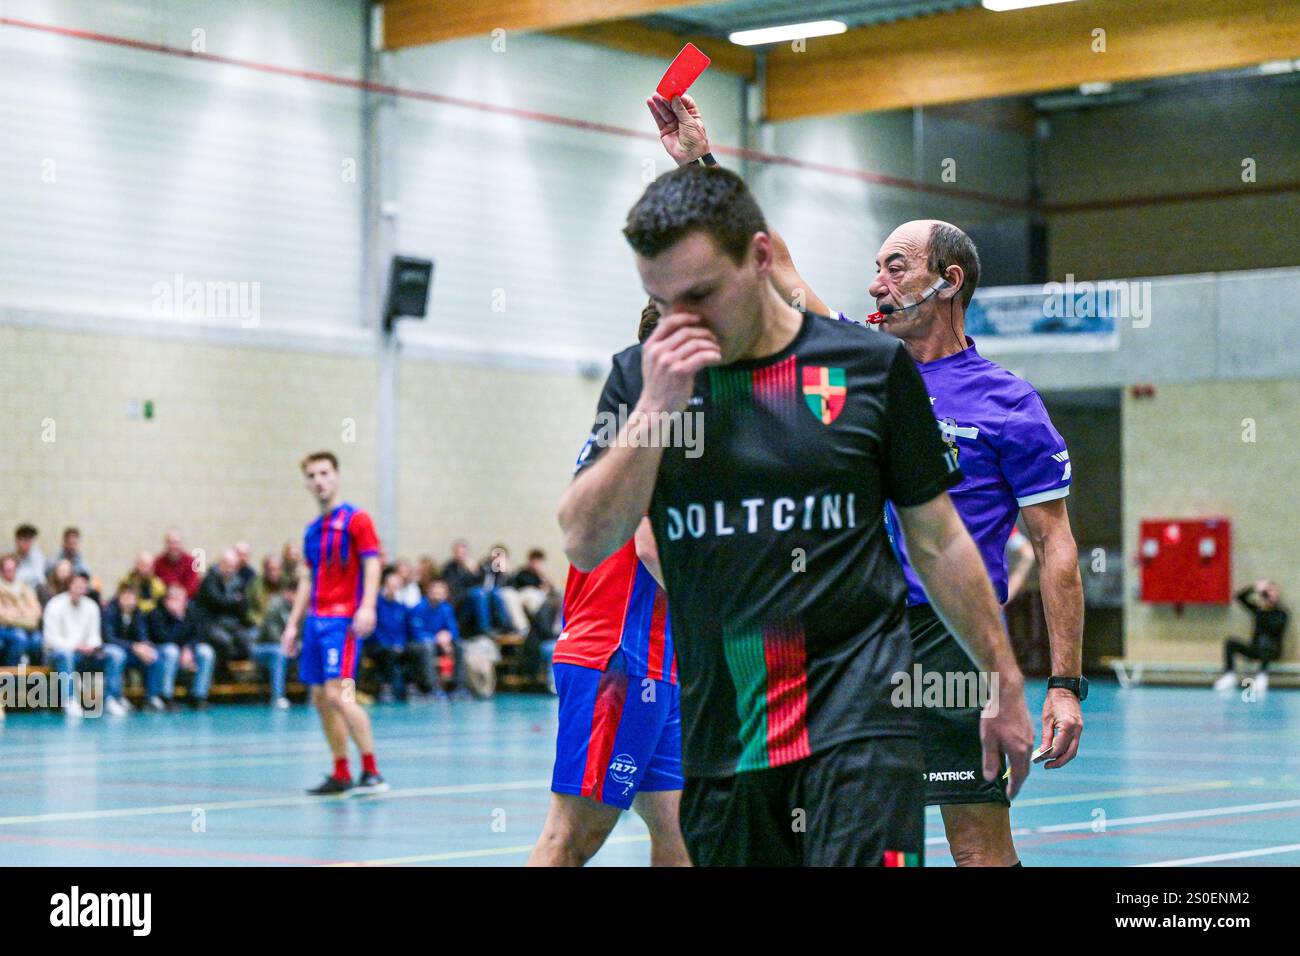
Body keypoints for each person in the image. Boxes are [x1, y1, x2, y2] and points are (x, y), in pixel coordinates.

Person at [650, 94, 1084, 867]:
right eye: (876, 266)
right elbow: (773, 264)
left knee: (977, 843)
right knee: (872, 843)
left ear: (947, 281)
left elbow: (1055, 548)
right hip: (856, 641)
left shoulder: (1007, 402)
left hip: (950, 640)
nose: (877, 281)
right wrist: (701, 162)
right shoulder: (857, 364)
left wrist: (1064, 685)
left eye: (896, 266)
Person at [558, 163, 1033, 866]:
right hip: (727, 741)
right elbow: (586, 541)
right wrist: (655, 412)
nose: (681, 318)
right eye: (662, 299)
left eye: (701, 294)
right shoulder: (642, 377)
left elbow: (939, 543)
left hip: (860, 728)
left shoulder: (868, 368)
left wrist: (1003, 682)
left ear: (758, 258)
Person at [530, 306, 688, 868]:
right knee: (572, 837)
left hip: (656, 661)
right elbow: (649, 546)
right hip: (618, 659)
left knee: (680, 832)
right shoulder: (651, 430)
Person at [281, 451, 387, 796]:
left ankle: (372, 772)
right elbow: (307, 580)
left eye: (324, 473)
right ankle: (341, 772)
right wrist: (293, 625)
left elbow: (372, 564)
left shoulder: (357, 520)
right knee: (319, 697)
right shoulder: (312, 531)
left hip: (343, 620)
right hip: (316, 621)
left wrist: (368, 605)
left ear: (337, 476)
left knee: (338, 694)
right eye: (311, 475)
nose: (318, 481)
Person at [43, 572, 127, 717]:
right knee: (66, 654)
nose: (80, 589)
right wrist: (76, 646)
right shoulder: (54, 605)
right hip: (58, 653)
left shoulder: (91, 606)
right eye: (76, 586)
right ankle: (69, 700)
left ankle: (110, 699)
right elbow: (50, 639)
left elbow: (95, 635)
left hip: (86, 653)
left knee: (116, 654)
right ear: (69, 586)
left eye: (83, 586)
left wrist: (92, 646)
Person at [103, 582, 177, 713]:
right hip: (112, 650)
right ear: (119, 596)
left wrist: (145, 646)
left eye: (132, 598)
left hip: (132, 652)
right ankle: (113, 698)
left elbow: (141, 633)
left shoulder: (138, 612)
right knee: (117, 655)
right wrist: (133, 646)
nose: (129, 601)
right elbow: (108, 638)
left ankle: (152, 697)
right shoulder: (109, 611)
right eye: (126, 597)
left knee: (154, 656)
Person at [368, 568, 435, 702]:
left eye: (396, 587)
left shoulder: (401, 607)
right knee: (390, 652)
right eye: (390, 586)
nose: (393, 589)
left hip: (399, 644)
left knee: (416, 649)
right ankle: (385, 688)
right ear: (384, 586)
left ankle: (415, 687)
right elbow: (374, 630)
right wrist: (391, 644)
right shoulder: (375, 605)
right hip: (378, 645)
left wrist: (400, 644)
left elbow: (407, 629)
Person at [147, 584, 215, 710]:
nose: (176, 602)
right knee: (171, 651)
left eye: (180, 599)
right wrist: (178, 618)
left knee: (206, 652)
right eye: (172, 599)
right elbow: (164, 637)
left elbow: (200, 634)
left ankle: (199, 695)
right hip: (163, 650)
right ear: (166, 600)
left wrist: (189, 648)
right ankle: (166, 696)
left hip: (186, 649)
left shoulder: (193, 612)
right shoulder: (157, 614)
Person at [1216, 580, 1288, 694]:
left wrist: (1266, 608)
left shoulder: (1281, 613)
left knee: (1266, 644)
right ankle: (1229, 675)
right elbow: (1240, 597)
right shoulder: (1258, 610)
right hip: (1255, 649)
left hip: (1271, 652)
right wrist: (1255, 588)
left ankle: (1262, 676)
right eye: (1267, 591)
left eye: (1272, 591)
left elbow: (1273, 628)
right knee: (1230, 642)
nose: (1268, 594)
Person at [194, 549, 257, 675]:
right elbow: (217, 602)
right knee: (224, 641)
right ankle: (222, 675)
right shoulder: (209, 580)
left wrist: (233, 602)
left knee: (247, 640)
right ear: (221, 564)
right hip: (211, 623)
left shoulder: (238, 581)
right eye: (228, 566)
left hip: (232, 623)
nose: (231, 570)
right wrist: (234, 601)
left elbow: (243, 605)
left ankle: (243, 677)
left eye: (233, 567)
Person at [409, 578, 462, 694]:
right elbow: (416, 633)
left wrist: (448, 637)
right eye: (435, 591)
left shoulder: (446, 609)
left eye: (441, 592)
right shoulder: (418, 608)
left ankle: (456, 686)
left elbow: (454, 630)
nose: (438, 594)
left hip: (441, 644)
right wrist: (436, 638)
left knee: (459, 646)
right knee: (428, 647)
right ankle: (431, 687)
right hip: (418, 644)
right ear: (429, 591)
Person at [0, 553, 43, 666]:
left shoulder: (25, 587)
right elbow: (4, 617)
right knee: (20, 637)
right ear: (2, 570)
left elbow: (36, 611)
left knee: (37, 640)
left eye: (12, 569)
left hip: (27, 629)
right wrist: (24, 615)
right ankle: (10, 678)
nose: (10, 571)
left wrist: (18, 615)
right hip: (5, 629)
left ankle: (33, 679)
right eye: (7, 569)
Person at [154, 529, 200, 597]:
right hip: (164, 600)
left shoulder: (191, 562)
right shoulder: (157, 562)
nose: (173, 546)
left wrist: (177, 597)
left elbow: (192, 588)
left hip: (186, 600)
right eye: (169, 542)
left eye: (176, 542)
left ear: (181, 544)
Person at [13, 524, 47, 592]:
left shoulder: (37, 555)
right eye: (25, 541)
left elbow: (41, 578)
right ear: (17, 541)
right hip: (16, 591)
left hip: (36, 591)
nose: (28, 544)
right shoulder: (10, 556)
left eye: (30, 541)